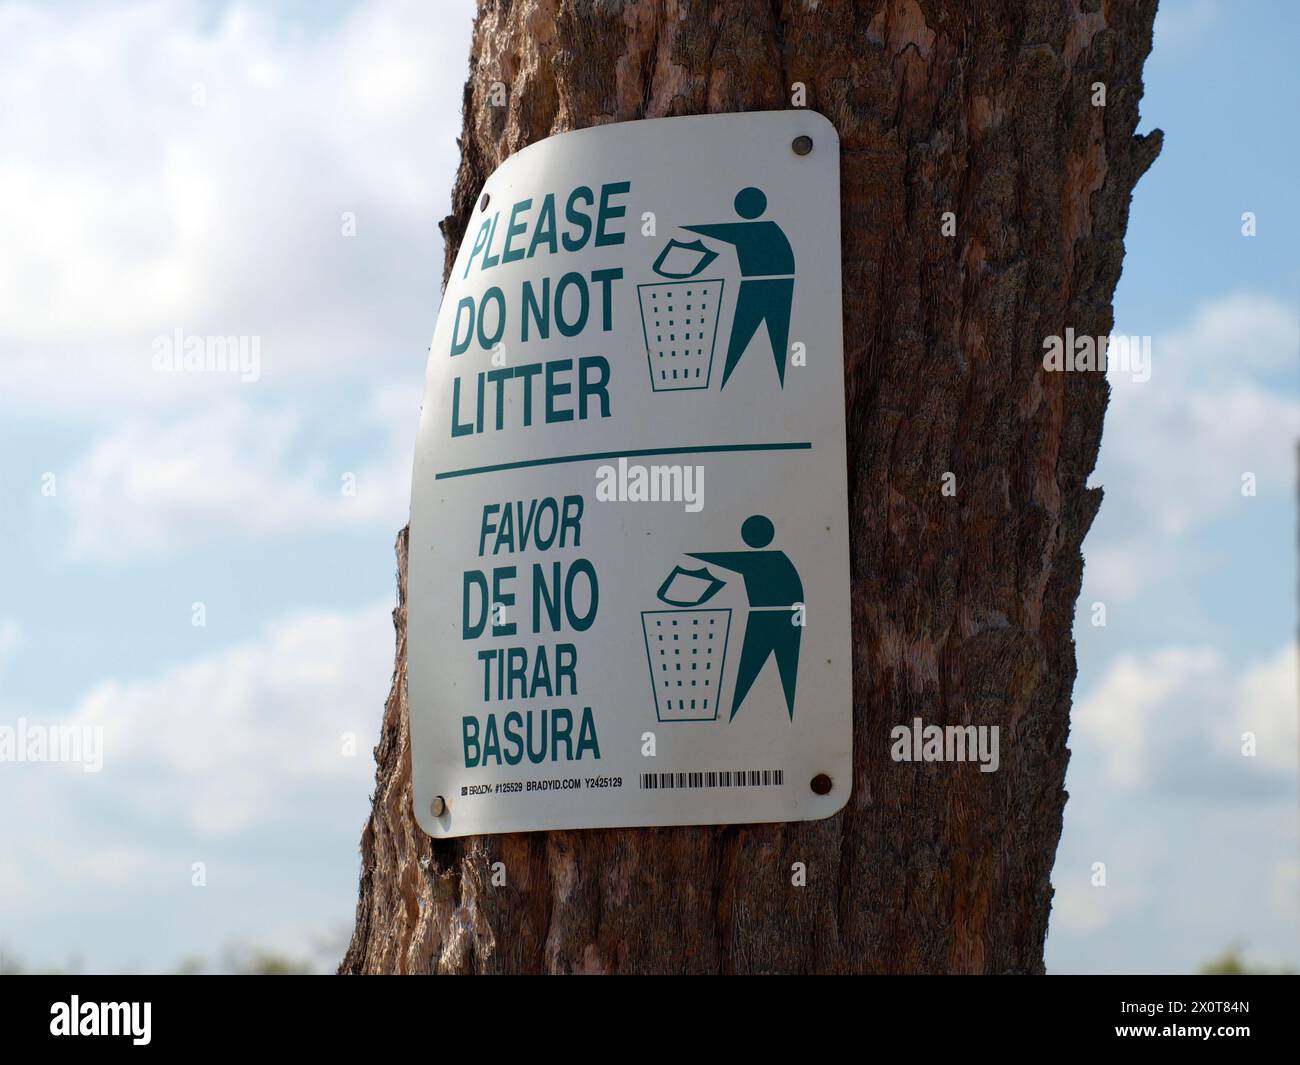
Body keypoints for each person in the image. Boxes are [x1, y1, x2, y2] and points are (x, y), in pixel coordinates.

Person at [687, 515, 803, 720]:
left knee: (758, 672)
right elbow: (728, 570)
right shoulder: (780, 559)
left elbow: (730, 562)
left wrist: (694, 556)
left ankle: (739, 718)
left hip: (772, 617)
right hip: (783, 616)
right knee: (770, 672)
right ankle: (740, 718)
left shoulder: (770, 558)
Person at [683, 187, 795, 389]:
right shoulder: (770, 229)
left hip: (763, 285)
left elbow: (723, 234)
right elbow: (721, 242)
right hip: (771, 283)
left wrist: (689, 229)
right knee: (760, 340)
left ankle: (731, 383)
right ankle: (732, 383)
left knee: (749, 340)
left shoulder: (762, 229)